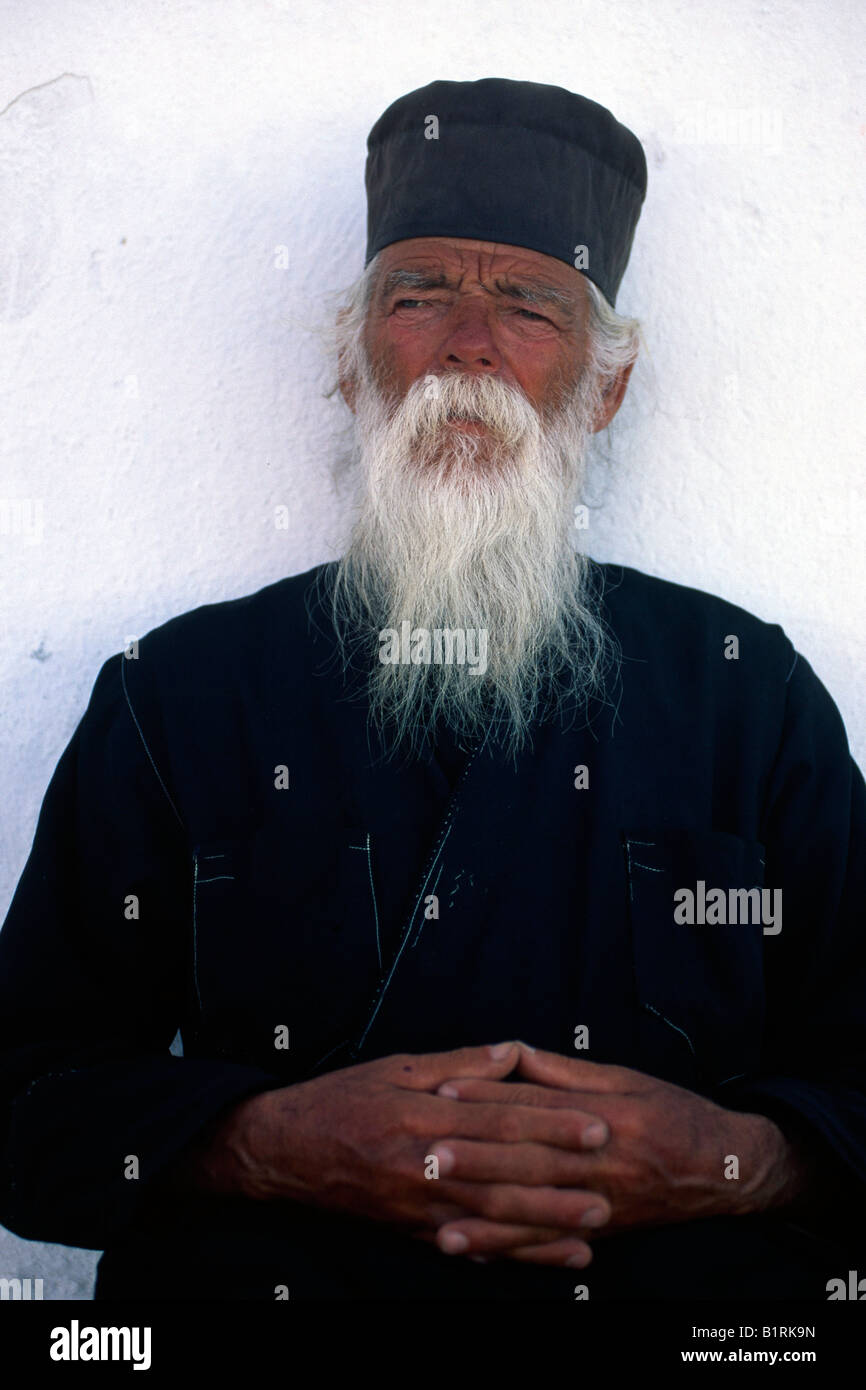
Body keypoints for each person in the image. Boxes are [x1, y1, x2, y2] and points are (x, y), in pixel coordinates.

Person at [0, 78, 863, 1302]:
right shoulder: (177, 696)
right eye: (418, 298)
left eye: (526, 304)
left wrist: (736, 1161)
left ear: (604, 385)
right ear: (351, 363)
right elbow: (25, 1102)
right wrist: (263, 1142)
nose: (467, 343)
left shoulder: (747, 697)